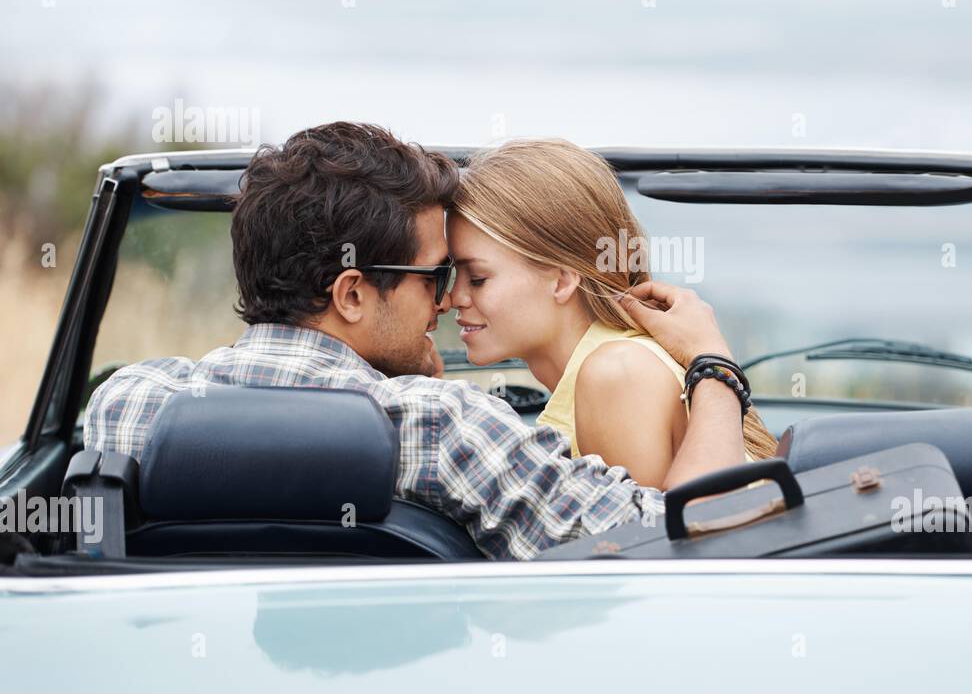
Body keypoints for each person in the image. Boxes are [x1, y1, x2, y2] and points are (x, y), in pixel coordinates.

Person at [83, 122, 748, 560]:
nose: (444, 301)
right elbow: (679, 538)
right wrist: (715, 369)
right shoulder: (447, 430)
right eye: (434, 277)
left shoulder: (128, 404)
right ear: (351, 294)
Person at [450, 138, 777, 489]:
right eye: (452, 275)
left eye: (478, 278)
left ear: (562, 281)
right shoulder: (618, 363)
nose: (454, 297)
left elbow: (676, 525)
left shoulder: (616, 373)